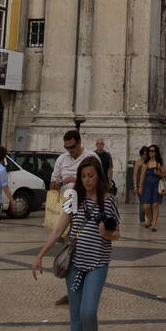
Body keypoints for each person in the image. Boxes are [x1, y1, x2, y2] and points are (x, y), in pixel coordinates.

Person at [32, 155, 120, 331]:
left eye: (91, 175)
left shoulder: (108, 201)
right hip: (75, 264)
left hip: (98, 264)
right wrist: (40, 254)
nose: (87, 180)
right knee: (74, 317)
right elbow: (59, 229)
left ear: (98, 176)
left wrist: (107, 234)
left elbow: (117, 233)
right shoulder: (73, 198)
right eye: (83, 176)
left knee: (87, 312)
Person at [50, 130, 92, 305]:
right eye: (66, 147)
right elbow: (52, 184)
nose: (70, 151)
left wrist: (75, 178)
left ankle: (85, 290)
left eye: (72, 147)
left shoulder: (90, 157)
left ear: (80, 143)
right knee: (69, 252)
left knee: (84, 253)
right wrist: (60, 182)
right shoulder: (61, 159)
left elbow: (100, 181)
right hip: (67, 210)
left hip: (86, 211)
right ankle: (72, 292)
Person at [137, 143, 166, 230]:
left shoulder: (159, 163)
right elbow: (142, 176)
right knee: (146, 206)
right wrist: (140, 187)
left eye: (152, 151)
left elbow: (165, 175)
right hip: (147, 187)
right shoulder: (146, 163)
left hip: (156, 187)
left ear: (156, 152)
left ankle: (153, 225)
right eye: (149, 151)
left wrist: (159, 174)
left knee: (155, 205)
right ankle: (149, 219)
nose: (150, 152)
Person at [133, 147, 149, 224]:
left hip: (149, 184)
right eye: (143, 154)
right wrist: (135, 185)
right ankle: (142, 220)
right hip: (140, 185)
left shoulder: (150, 162)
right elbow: (135, 175)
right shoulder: (138, 162)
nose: (144, 156)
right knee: (143, 202)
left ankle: (150, 219)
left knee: (149, 203)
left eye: (146, 154)